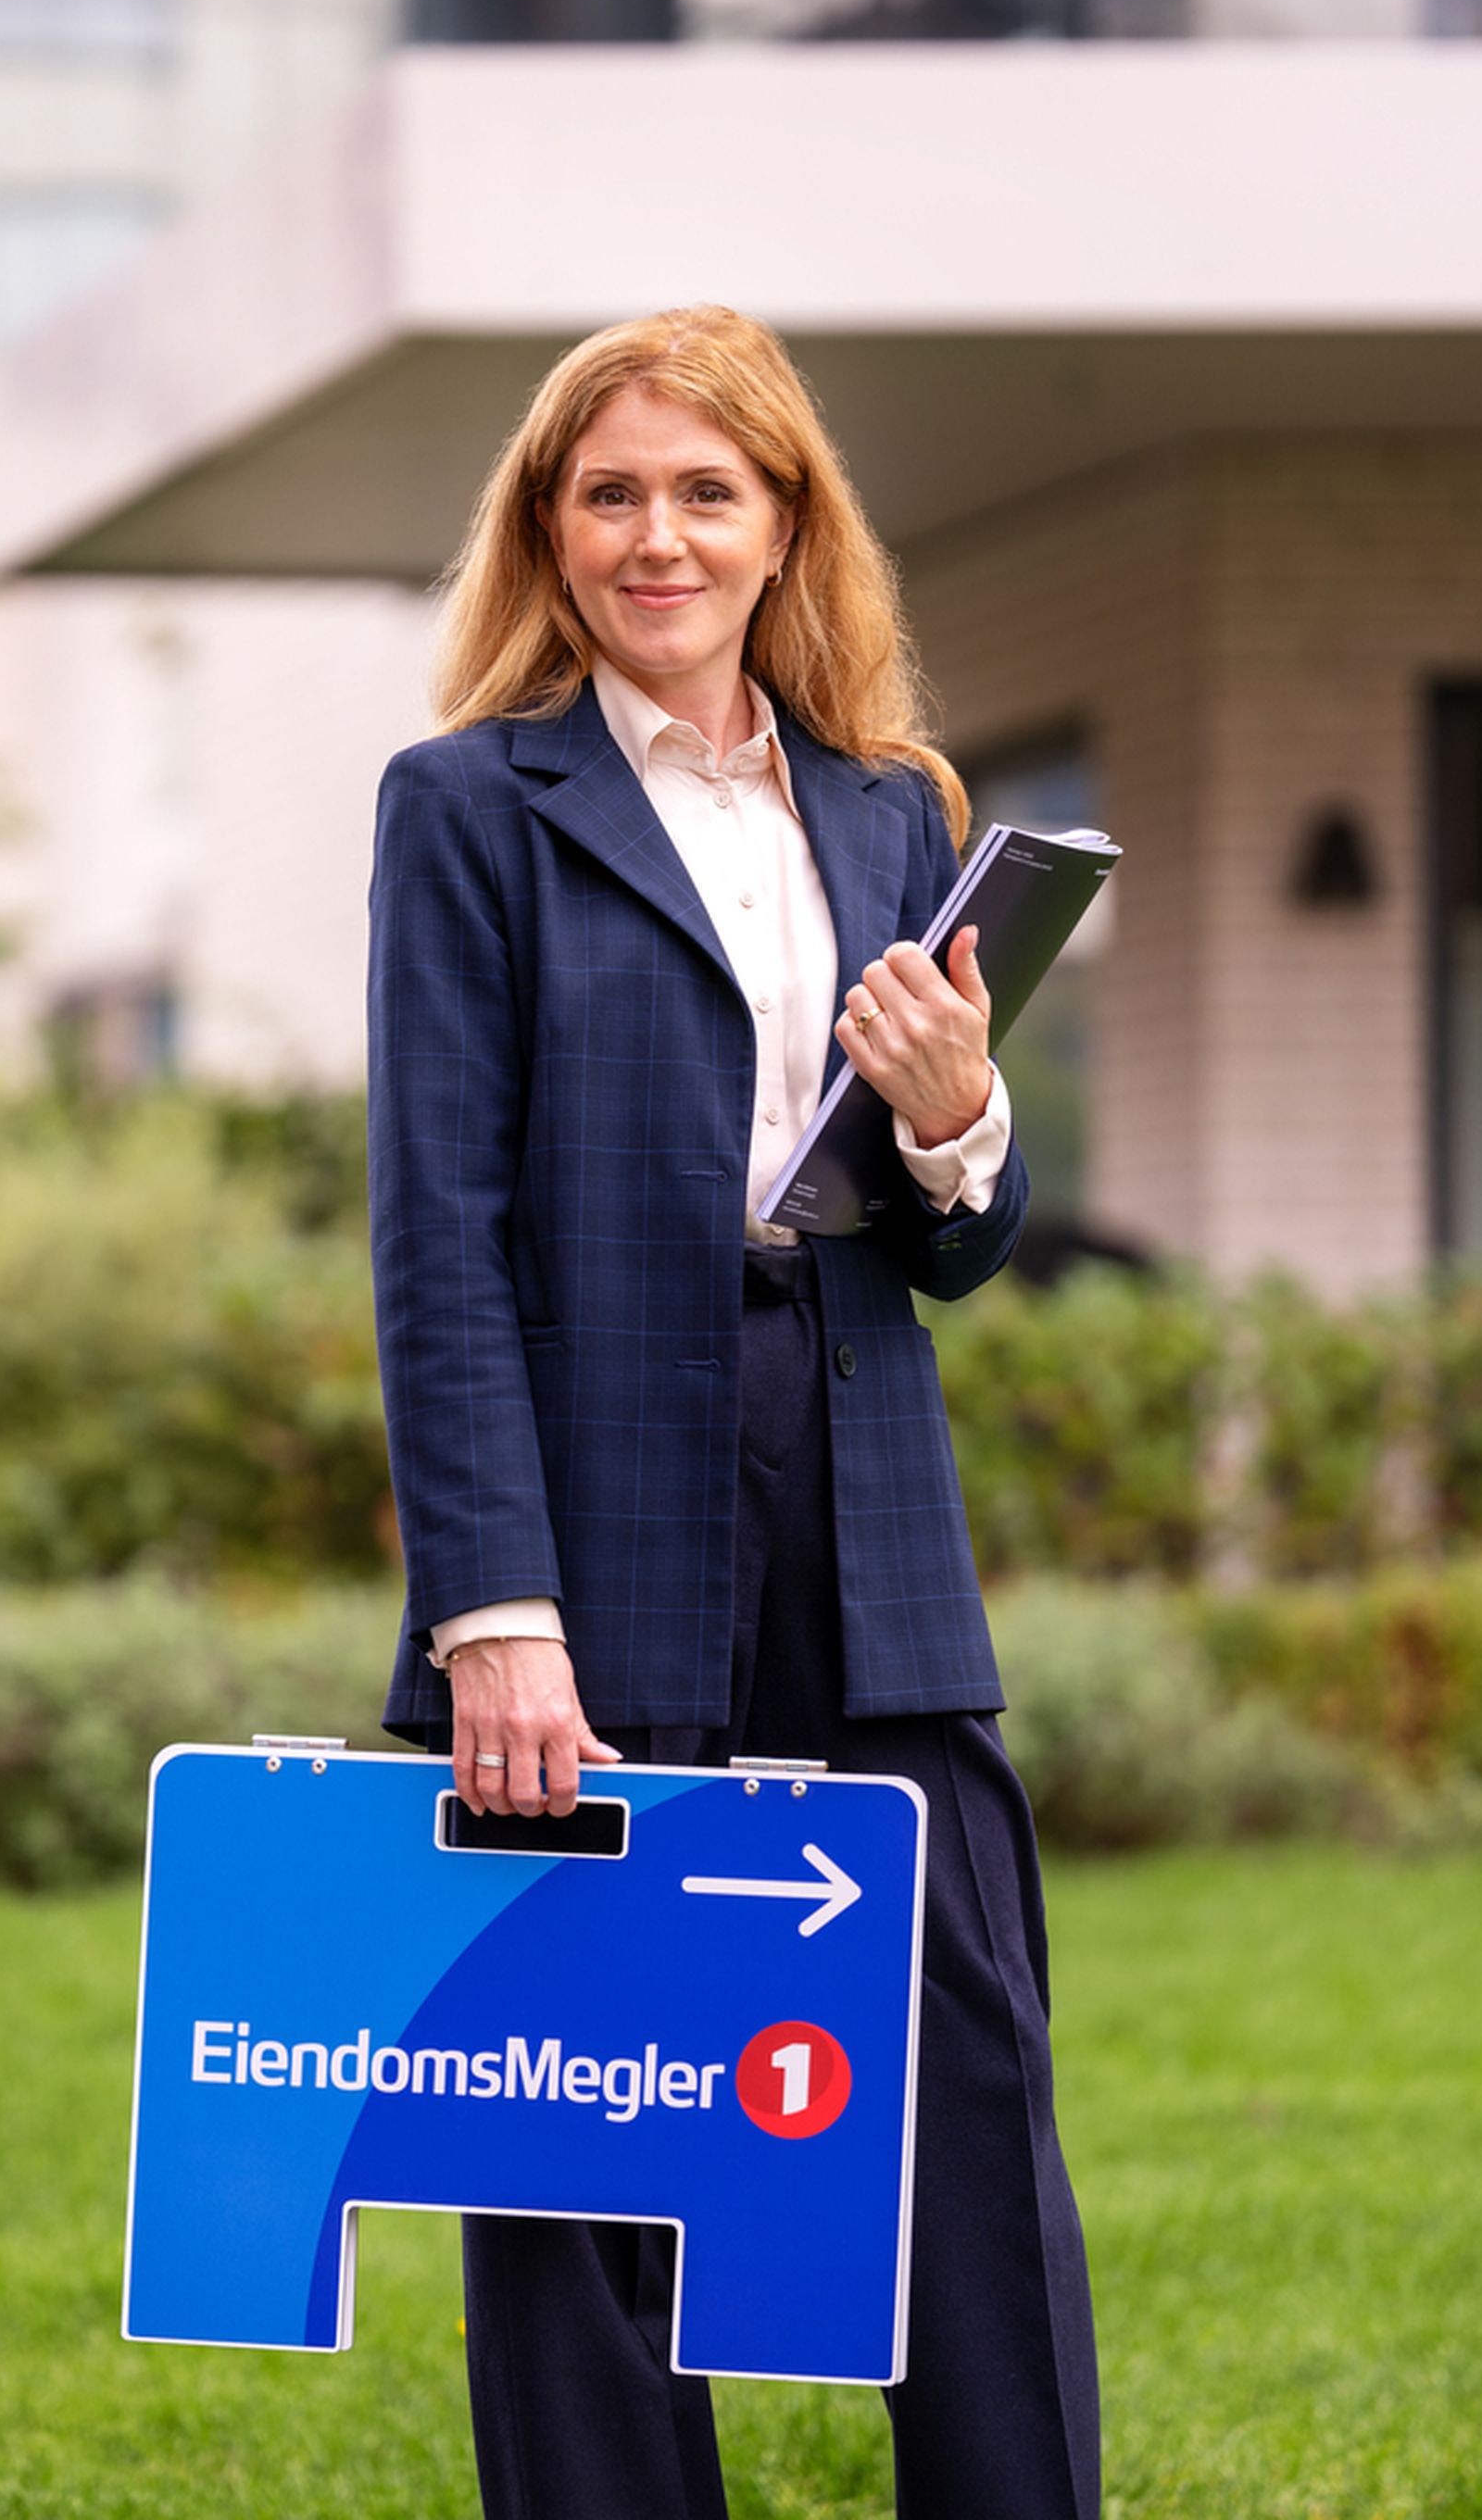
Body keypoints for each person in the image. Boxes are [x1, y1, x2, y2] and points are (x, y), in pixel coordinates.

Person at [366, 305, 1104, 2520]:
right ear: (549, 531)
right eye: (609, 494)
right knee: (581, 2130)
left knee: (963, 2088)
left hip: (861, 1491)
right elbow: (437, 1234)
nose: (657, 537)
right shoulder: (468, 808)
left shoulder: (896, 814)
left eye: (708, 491)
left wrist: (962, 1118)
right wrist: (493, 1613)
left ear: (790, 524)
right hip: (589, 1518)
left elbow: (953, 1242)